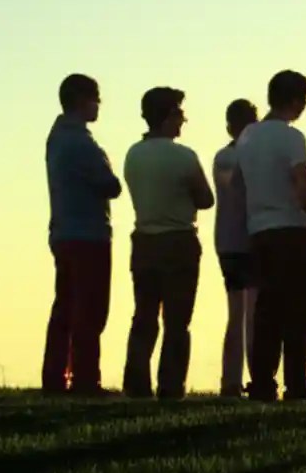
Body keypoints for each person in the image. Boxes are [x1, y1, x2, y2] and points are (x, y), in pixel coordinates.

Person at [121, 87, 214, 399]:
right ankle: (171, 385)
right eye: (178, 113)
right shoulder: (184, 157)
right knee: (177, 320)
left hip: (144, 239)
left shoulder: (133, 154)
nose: (183, 120)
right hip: (179, 240)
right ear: (167, 117)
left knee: (144, 314)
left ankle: (136, 383)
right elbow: (205, 198)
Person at [237, 70, 306, 403]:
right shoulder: (291, 137)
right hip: (291, 229)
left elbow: (239, 184)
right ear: (295, 101)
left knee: (267, 310)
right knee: (300, 312)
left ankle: (261, 381)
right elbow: (303, 183)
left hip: (259, 230)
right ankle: (296, 382)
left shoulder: (247, 137)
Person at [42, 74, 121, 398]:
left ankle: (55, 375)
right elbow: (111, 184)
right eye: (95, 98)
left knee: (65, 304)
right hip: (88, 233)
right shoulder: (81, 142)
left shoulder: (56, 138)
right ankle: (86, 377)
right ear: (81, 100)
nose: (98, 104)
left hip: (63, 229)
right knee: (90, 308)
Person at [211, 99, 260, 398]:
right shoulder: (251, 158)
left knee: (235, 313)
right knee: (253, 313)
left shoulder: (222, 157)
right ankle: (257, 376)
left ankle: (230, 379)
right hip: (251, 239)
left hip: (227, 240)